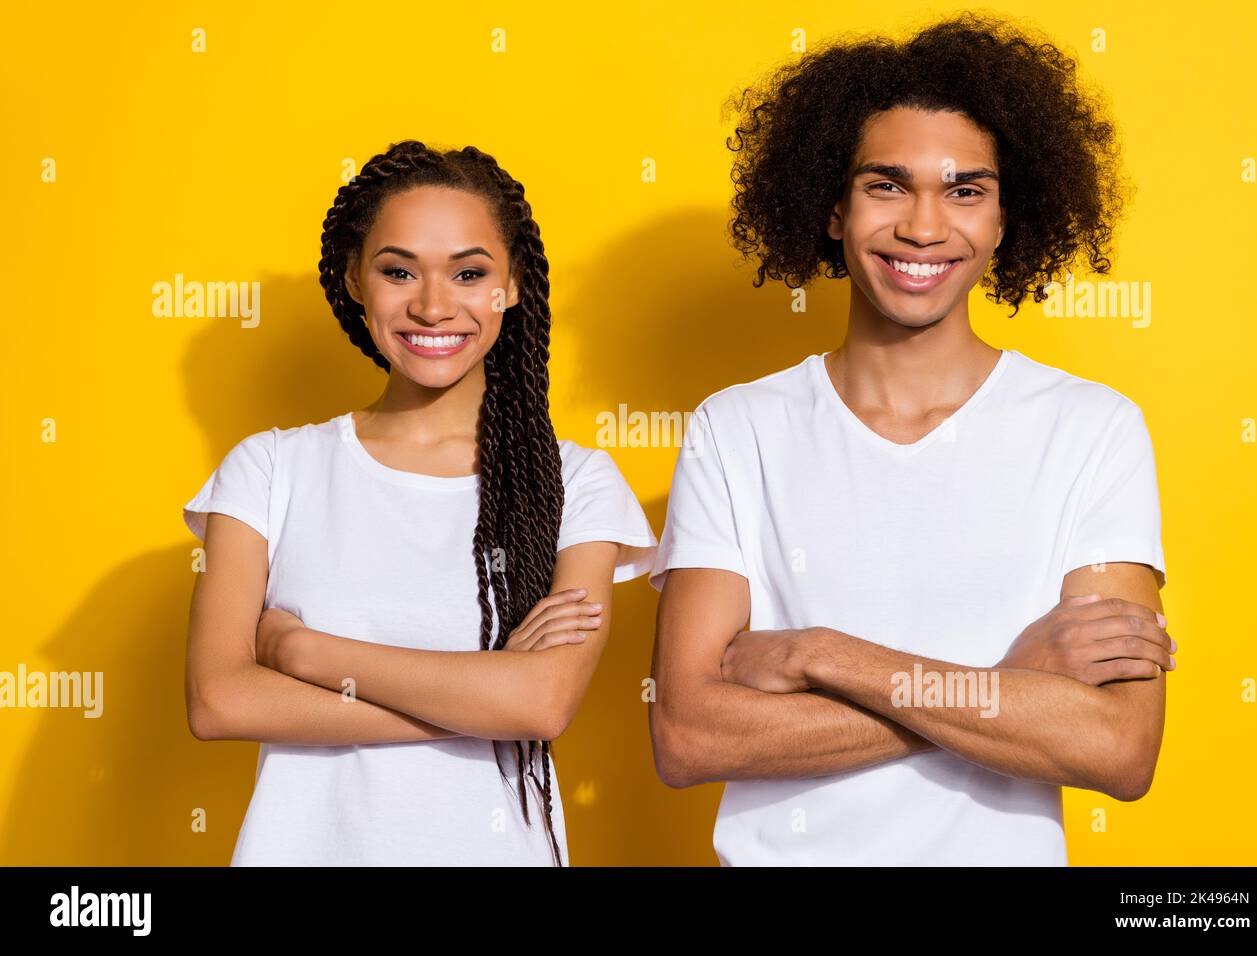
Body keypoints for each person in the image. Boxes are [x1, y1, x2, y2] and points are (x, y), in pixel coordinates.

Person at [648, 14, 1173, 865]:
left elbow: (1117, 749)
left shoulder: (1093, 430)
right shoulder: (735, 429)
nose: (925, 227)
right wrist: (1010, 689)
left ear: (1007, 218)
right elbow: (688, 736)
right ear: (830, 206)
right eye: (886, 185)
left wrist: (823, 654)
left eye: (966, 190)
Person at [183, 141, 658, 866]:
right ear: (354, 281)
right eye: (398, 270)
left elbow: (541, 704)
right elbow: (220, 702)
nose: (434, 306)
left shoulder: (578, 482)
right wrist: (481, 702)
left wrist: (302, 651)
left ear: (514, 285)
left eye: (470, 273)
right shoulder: (270, 468)